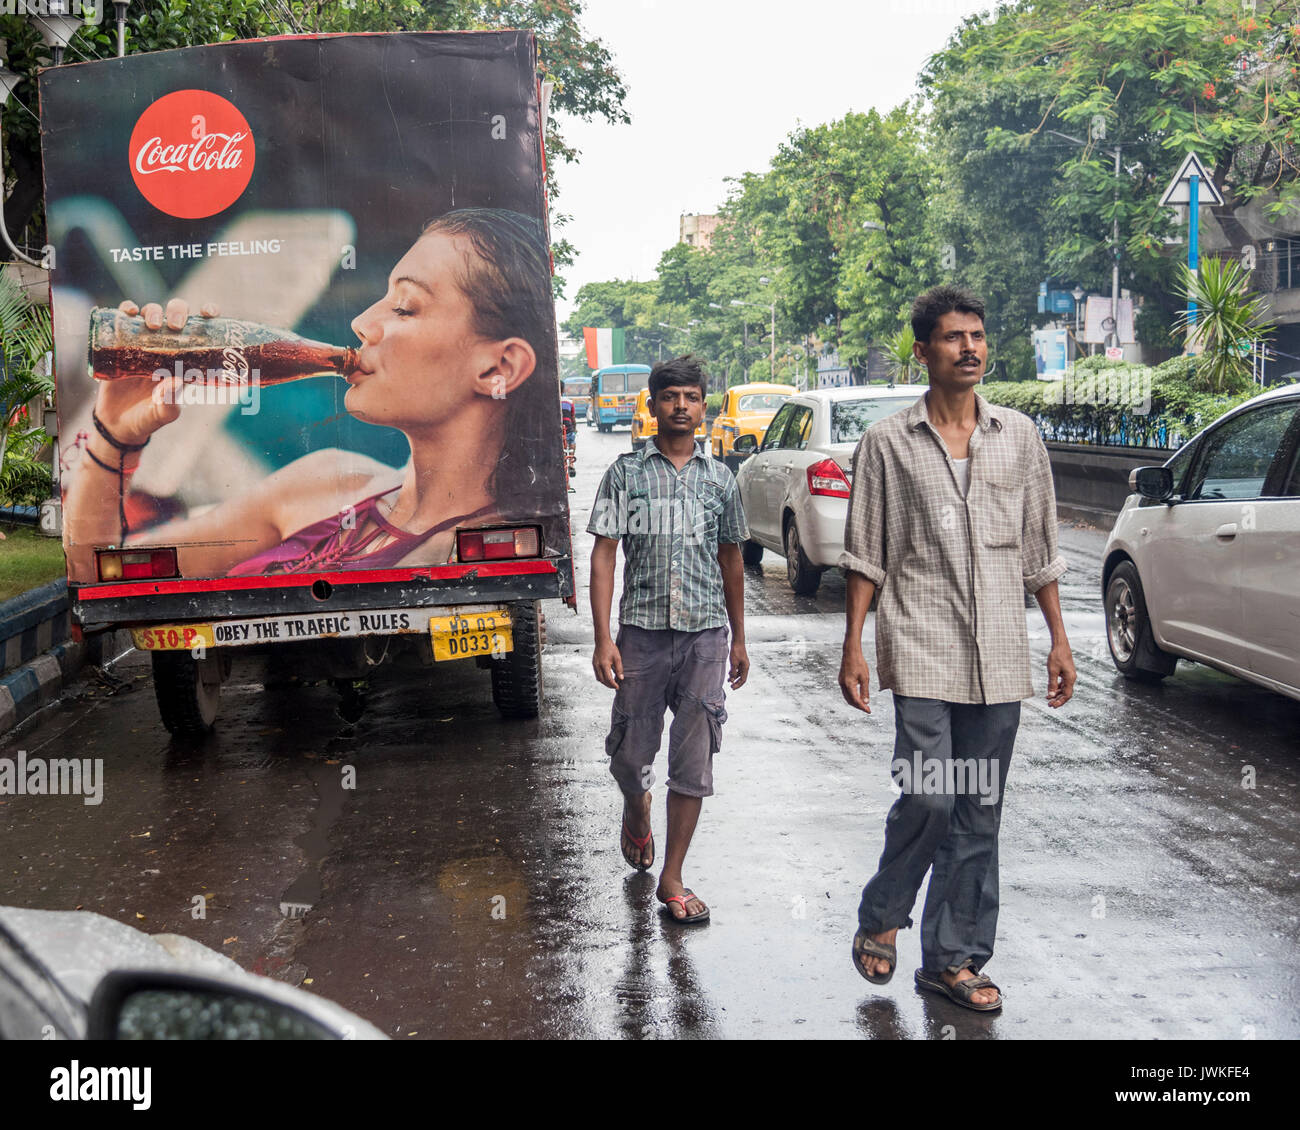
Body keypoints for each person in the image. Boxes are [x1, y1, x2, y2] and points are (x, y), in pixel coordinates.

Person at [62, 208, 560, 579]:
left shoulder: (490, 552)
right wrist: (112, 435)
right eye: (384, 298)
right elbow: (101, 573)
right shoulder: (322, 484)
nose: (362, 323)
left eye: (405, 307)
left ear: (499, 366)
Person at [838, 285, 1076, 1011]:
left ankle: (953, 958)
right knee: (931, 795)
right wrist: (854, 645)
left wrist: (1059, 638)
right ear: (923, 351)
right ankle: (884, 910)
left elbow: (1039, 548)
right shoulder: (887, 443)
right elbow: (866, 553)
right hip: (921, 645)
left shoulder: (1020, 436)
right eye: (952, 337)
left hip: (1000, 650)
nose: (969, 348)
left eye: (977, 335)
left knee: (978, 808)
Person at [588, 355, 749, 923]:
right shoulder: (625, 474)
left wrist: (738, 639)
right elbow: (604, 553)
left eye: (692, 397)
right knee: (631, 755)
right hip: (642, 637)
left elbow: (732, 558)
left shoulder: (721, 479)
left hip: (706, 637)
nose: (682, 406)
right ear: (653, 405)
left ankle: (673, 878)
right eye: (670, 397)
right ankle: (636, 809)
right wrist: (603, 636)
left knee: (694, 758)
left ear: (704, 405)